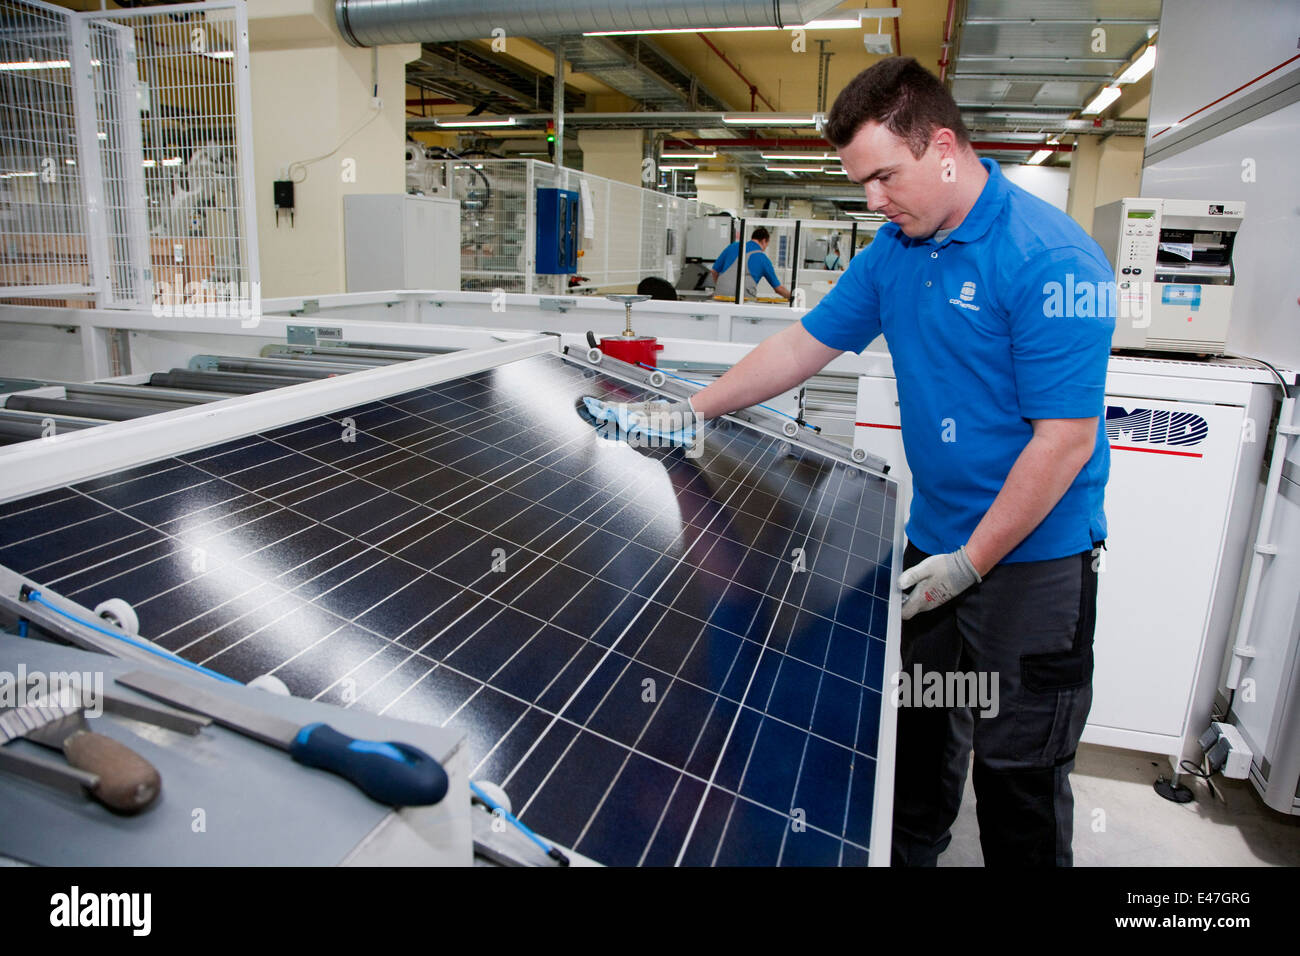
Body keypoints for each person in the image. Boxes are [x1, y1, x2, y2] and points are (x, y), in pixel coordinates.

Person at [614, 56, 1114, 866]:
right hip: (935, 549)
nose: (872, 201)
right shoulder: (895, 253)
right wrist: (692, 407)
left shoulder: (1051, 262)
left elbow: (1064, 442)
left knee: (1017, 775)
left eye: (883, 177)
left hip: (1030, 569)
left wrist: (971, 566)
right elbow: (802, 344)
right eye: (861, 183)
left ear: (943, 147)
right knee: (918, 751)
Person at [709, 226, 793, 301]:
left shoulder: (732, 246)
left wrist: (723, 288)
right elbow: (778, 288)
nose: (764, 248)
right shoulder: (763, 258)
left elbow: (714, 271)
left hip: (720, 297)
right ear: (764, 241)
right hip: (744, 301)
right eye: (766, 245)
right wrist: (792, 297)